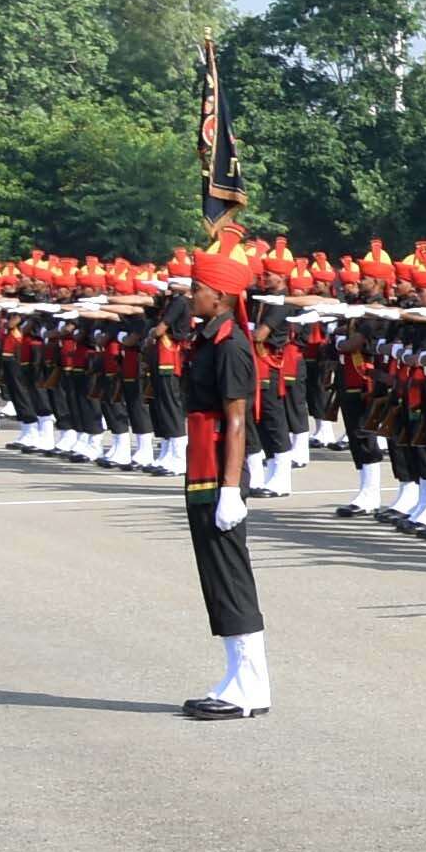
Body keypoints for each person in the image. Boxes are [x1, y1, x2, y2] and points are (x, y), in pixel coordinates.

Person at [178, 239, 271, 718]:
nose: (190, 294)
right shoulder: (208, 338)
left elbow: (237, 421)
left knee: (230, 575)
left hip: (220, 470)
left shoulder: (231, 345)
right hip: (203, 467)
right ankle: (237, 675)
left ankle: (252, 686)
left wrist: (231, 489)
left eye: (197, 287)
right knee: (215, 576)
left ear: (219, 295)